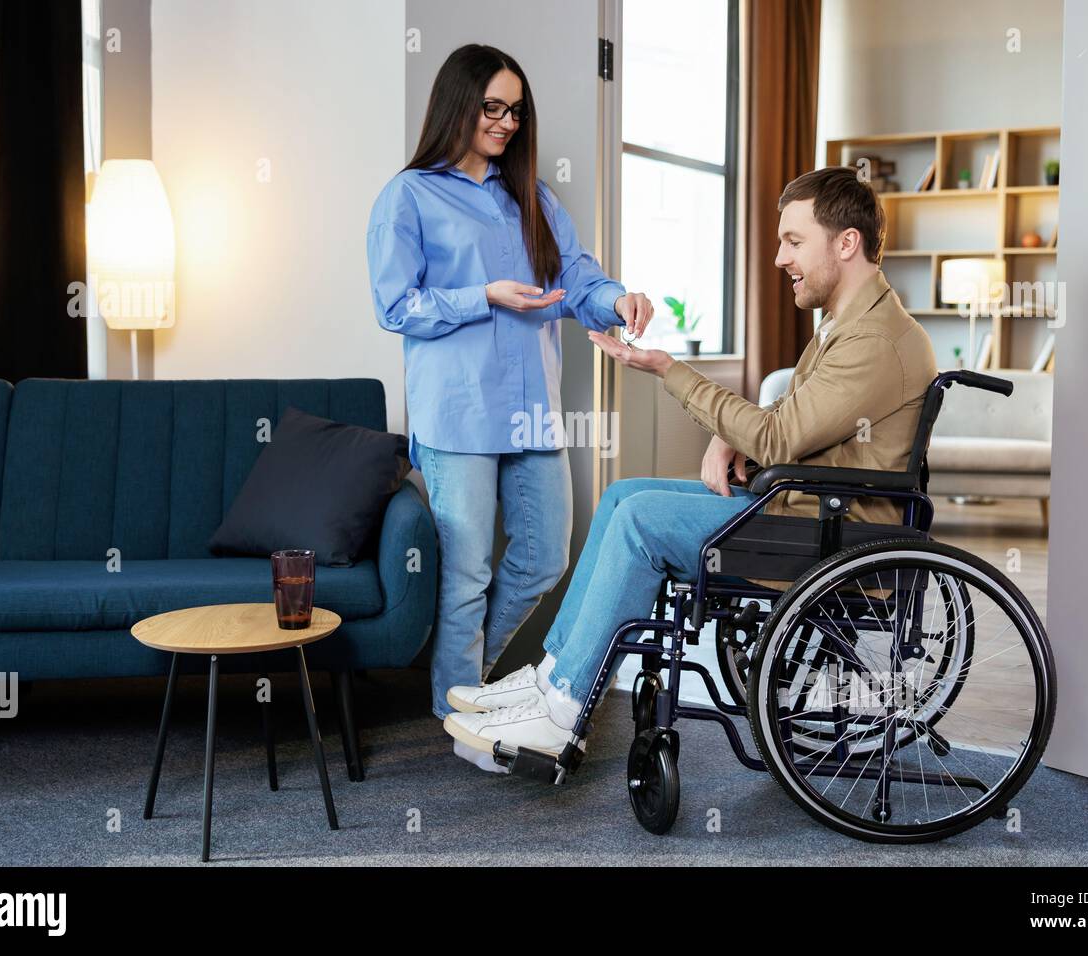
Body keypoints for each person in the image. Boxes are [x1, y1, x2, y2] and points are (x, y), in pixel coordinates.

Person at [441, 165, 939, 765]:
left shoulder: (875, 340)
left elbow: (779, 436)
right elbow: (798, 420)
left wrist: (669, 371)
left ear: (846, 242)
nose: (779, 258)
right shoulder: (849, 322)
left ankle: (564, 708)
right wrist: (731, 437)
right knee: (623, 495)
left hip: (834, 531)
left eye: (793, 241)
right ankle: (551, 677)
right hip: (807, 506)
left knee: (641, 522)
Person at [366, 44, 654, 770]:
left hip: (532, 410)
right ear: (459, 105)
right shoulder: (409, 197)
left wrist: (618, 300)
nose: (505, 122)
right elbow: (395, 306)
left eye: (515, 111)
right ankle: (458, 716)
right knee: (466, 575)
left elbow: (577, 277)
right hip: (458, 414)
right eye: (492, 107)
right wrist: (483, 296)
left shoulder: (532, 197)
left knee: (545, 557)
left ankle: (472, 690)